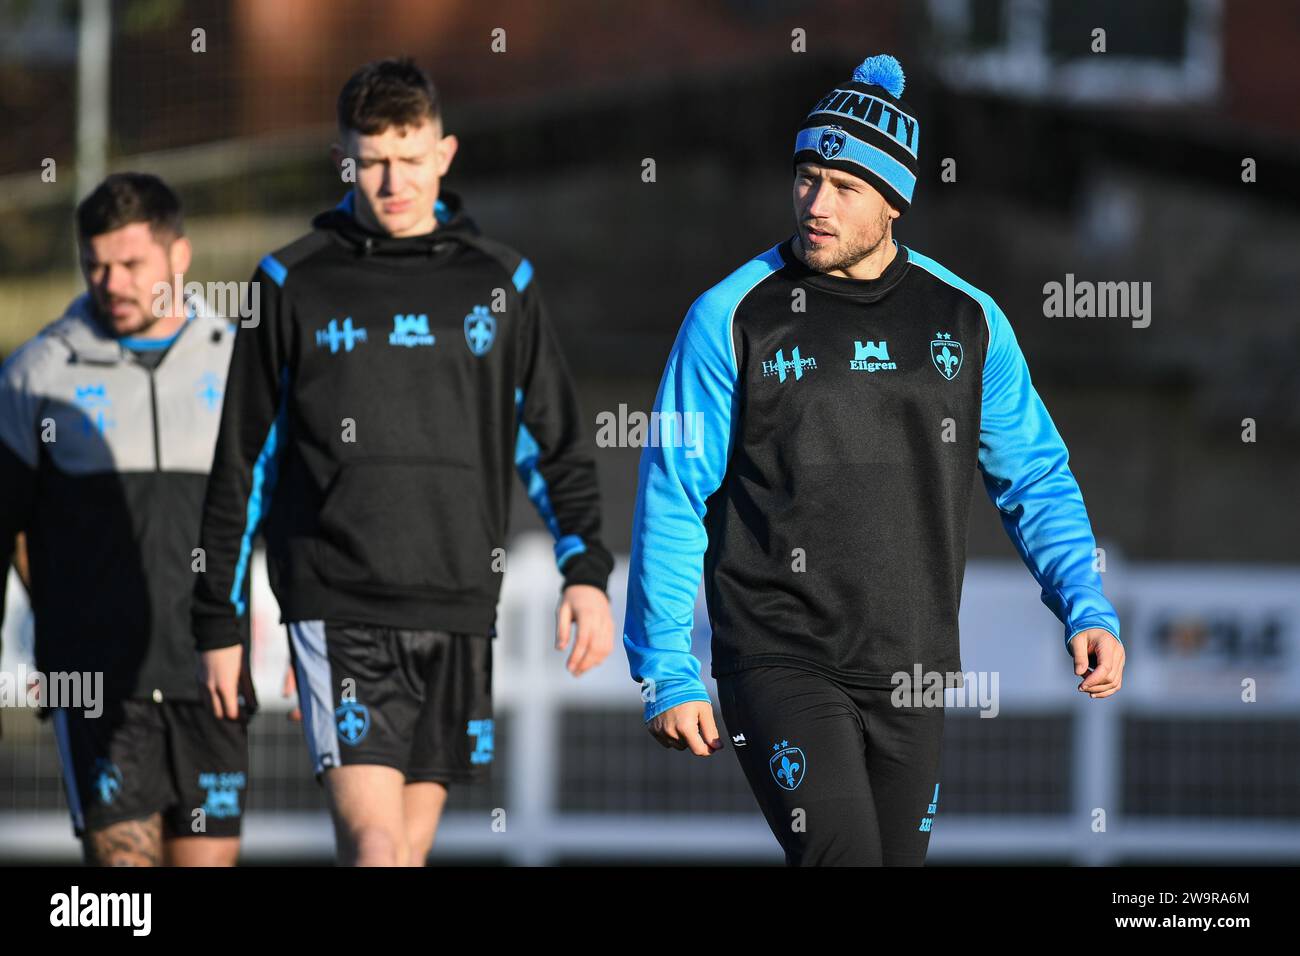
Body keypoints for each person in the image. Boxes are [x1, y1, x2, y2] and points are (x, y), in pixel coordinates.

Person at [622, 54, 1125, 866]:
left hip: (913, 668)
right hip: (777, 655)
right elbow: (674, 492)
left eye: (845, 186)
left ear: (895, 200)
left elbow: (1034, 474)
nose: (815, 203)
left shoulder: (967, 321)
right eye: (807, 176)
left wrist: (1086, 603)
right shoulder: (731, 316)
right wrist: (665, 667)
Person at [192, 57, 616, 866]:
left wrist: (586, 573)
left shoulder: (502, 282)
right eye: (372, 160)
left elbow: (554, 443)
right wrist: (217, 616)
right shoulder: (288, 283)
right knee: (377, 846)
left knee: (404, 854)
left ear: (445, 155)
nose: (393, 181)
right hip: (338, 602)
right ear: (342, 161)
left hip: (459, 603)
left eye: (410, 158)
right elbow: (241, 462)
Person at [0, 172, 249, 865]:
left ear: (179, 258)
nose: (110, 281)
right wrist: (61, 623)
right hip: (99, 682)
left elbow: (288, 510)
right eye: (95, 264)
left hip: (213, 678)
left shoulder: (241, 362)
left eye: (131, 264)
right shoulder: (36, 375)